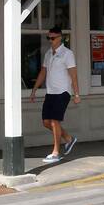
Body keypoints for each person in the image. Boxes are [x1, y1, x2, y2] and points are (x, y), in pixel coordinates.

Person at [29, 26, 80, 162]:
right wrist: (34, 89)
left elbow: (73, 75)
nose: (50, 40)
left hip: (62, 92)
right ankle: (69, 139)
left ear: (60, 37)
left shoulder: (67, 54)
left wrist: (76, 94)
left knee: (54, 121)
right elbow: (43, 72)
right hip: (50, 92)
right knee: (46, 122)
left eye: (52, 38)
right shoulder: (48, 54)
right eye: (48, 38)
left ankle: (56, 152)